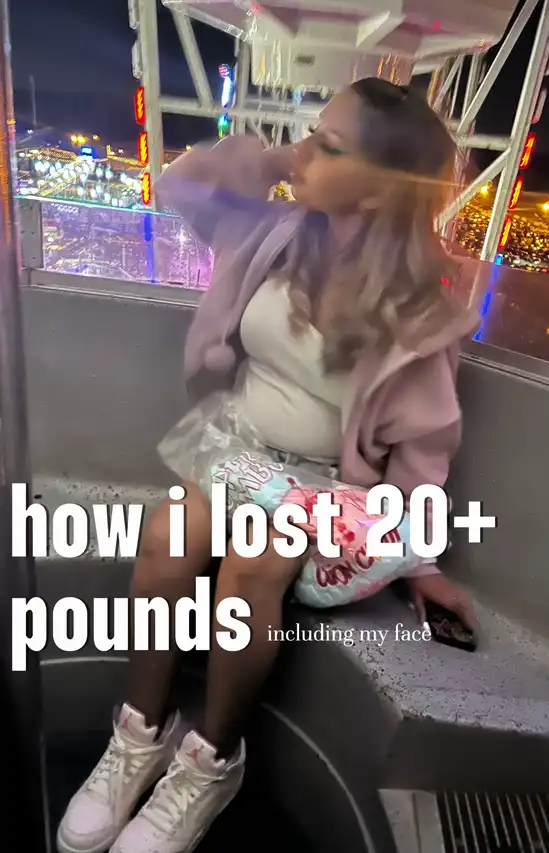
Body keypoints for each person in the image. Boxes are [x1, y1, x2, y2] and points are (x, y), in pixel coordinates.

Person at [57, 77, 479, 853]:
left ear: (381, 189)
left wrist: (419, 561)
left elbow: (426, 447)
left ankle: (212, 761)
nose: (307, 150)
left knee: (253, 565)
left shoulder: (419, 309)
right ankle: (139, 733)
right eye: (313, 134)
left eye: (330, 145)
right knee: (167, 539)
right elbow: (185, 183)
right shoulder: (274, 235)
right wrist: (284, 157)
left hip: (324, 485)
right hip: (236, 445)